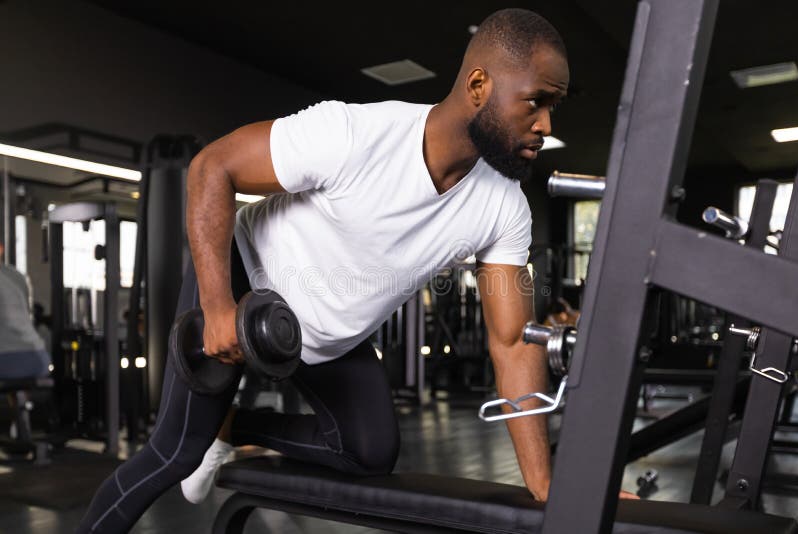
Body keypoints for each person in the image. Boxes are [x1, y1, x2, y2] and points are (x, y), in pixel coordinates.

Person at [78, 8, 634, 533]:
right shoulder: (354, 135)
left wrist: (544, 481)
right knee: (174, 453)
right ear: (479, 86)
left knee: (370, 453)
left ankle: (225, 425)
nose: (545, 124)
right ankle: (197, 434)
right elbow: (212, 167)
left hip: (328, 335)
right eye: (535, 101)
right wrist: (219, 307)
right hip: (247, 283)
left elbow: (512, 343)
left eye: (553, 107)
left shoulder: (505, 208)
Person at [0, 241, 51, 379]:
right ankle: (20, 398)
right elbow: (29, 318)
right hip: (38, 358)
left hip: (7, 360)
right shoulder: (17, 276)